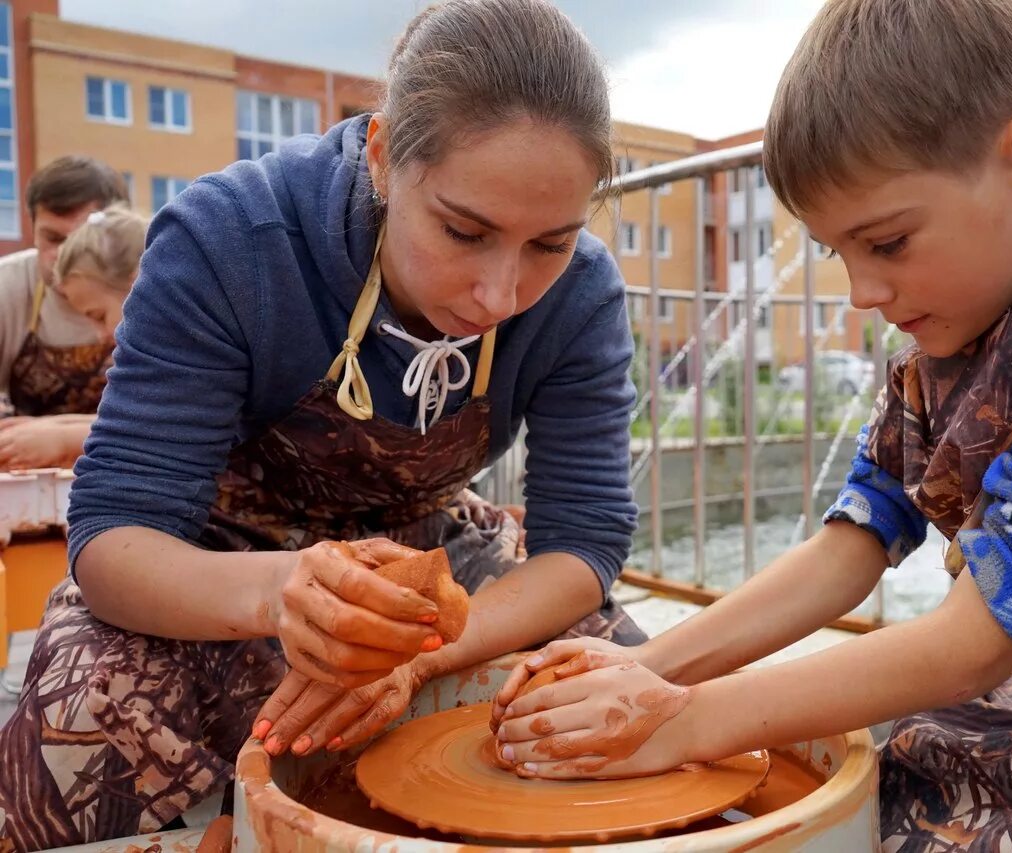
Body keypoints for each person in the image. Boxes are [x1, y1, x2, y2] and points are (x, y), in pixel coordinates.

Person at [492, 0, 1012, 849]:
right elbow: (852, 543)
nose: (862, 293)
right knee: (850, 764)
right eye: (839, 253)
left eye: (889, 242)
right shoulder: (972, 311)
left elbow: (972, 644)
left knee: (892, 823)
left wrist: (681, 722)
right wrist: (649, 668)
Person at [0, 0, 645, 846]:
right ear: (381, 155)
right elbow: (117, 537)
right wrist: (285, 594)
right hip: (219, 558)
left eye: (549, 244)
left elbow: (584, 542)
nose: (499, 294)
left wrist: (423, 653)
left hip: (431, 571)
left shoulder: (584, 293)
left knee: (614, 688)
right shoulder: (229, 238)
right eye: (464, 230)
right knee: (77, 725)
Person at [0, 203, 146, 469]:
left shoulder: (193, 342)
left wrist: (63, 439)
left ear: (137, 283)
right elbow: (130, 417)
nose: (100, 335)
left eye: (99, 316)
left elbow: (165, 427)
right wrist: (48, 426)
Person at [0, 156, 128, 427]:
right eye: (53, 239)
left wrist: (60, 437)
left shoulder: (151, 287)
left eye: (79, 241)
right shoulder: (7, 284)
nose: (63, 256)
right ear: (31, 229)